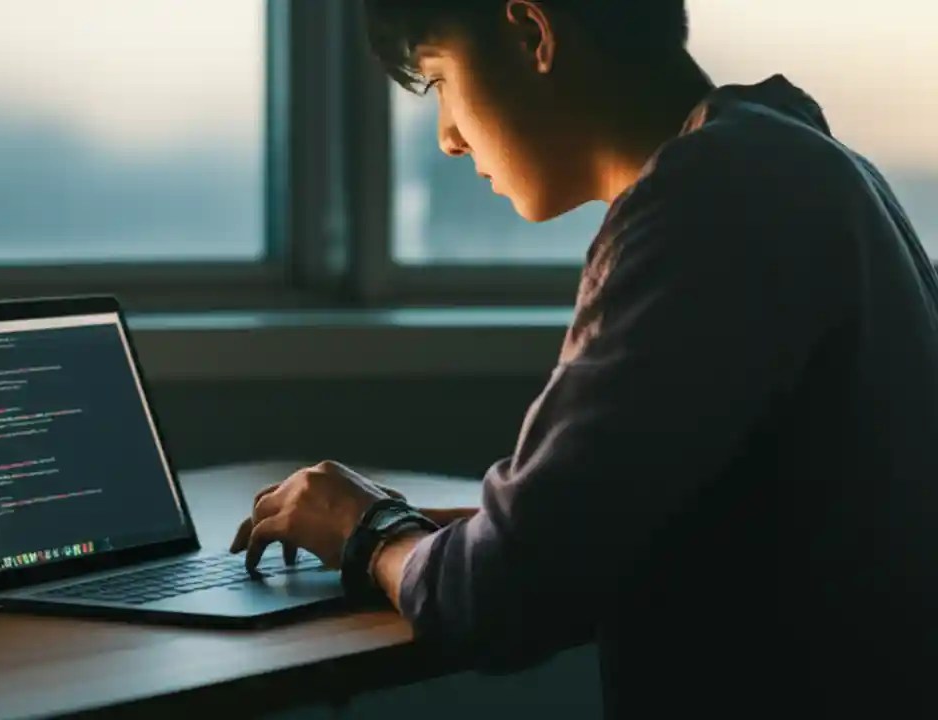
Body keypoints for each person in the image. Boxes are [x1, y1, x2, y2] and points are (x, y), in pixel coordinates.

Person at [229, 1, 938, 717]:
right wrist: (472, 533)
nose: (446, 137)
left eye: (440, 78)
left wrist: (370, 533)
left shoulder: (704, 205)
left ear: (532, 33)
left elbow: (502, 597)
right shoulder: (800, 165)